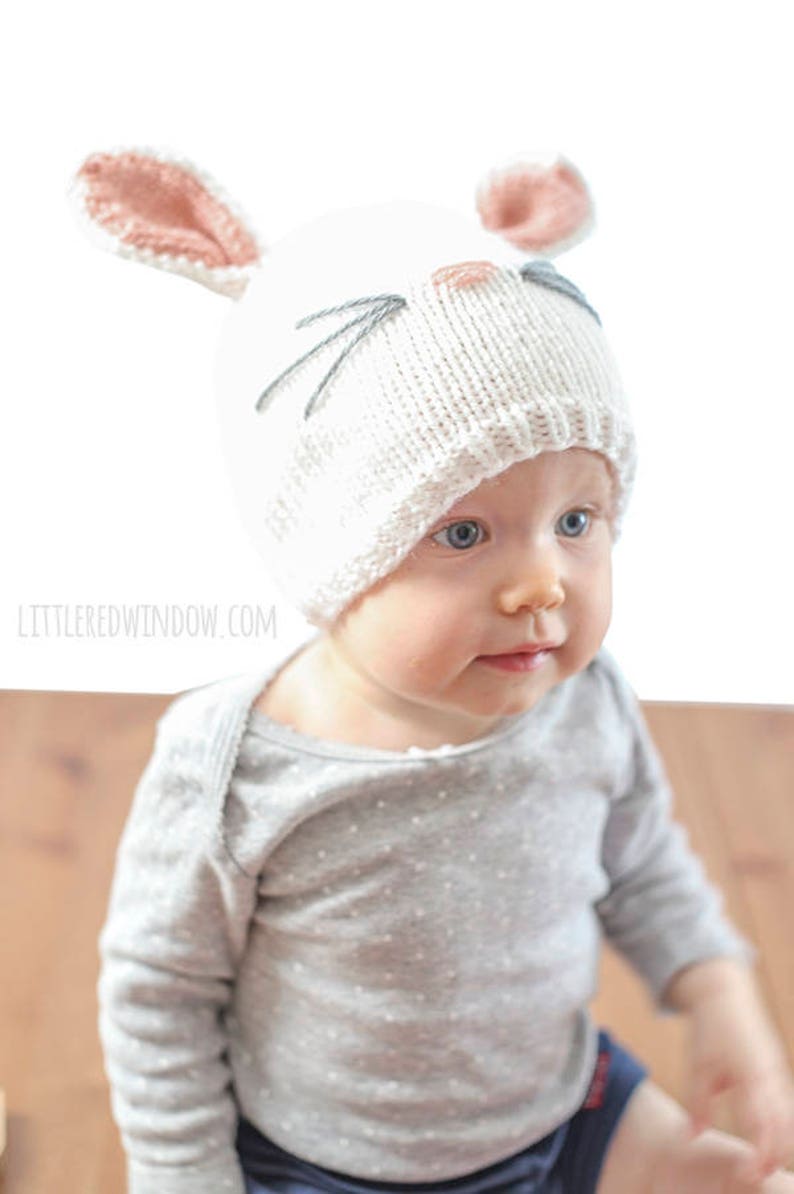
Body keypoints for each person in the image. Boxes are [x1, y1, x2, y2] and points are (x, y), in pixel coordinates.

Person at [72, 148, 794, 1193]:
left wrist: (723, 999)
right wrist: (186, 1178)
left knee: (741, 1180)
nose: (540, 583)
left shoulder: (583, 697)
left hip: (563, 1104)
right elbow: (158, 994)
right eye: (461, 535)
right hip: (324, 1163)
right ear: (329, 554)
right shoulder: (233, 767)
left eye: (576, 520)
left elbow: (642, 866)